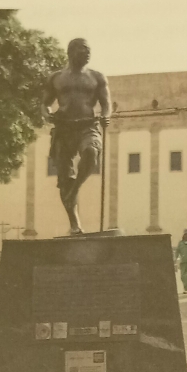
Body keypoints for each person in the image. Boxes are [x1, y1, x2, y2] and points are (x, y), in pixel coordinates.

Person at [42, 38, 111, 235]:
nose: (88, 53)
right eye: (83, 50)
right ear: (71, 52)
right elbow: (45, 103)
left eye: (89, 50)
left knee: (91, 152)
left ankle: (75, 190)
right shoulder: (56, 78)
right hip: (63, 129)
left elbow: (106, 103)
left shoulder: (96, 77)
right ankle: (75, 224)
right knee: (65, 179)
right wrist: (47, 114)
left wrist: (106, 116)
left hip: (87, 126)